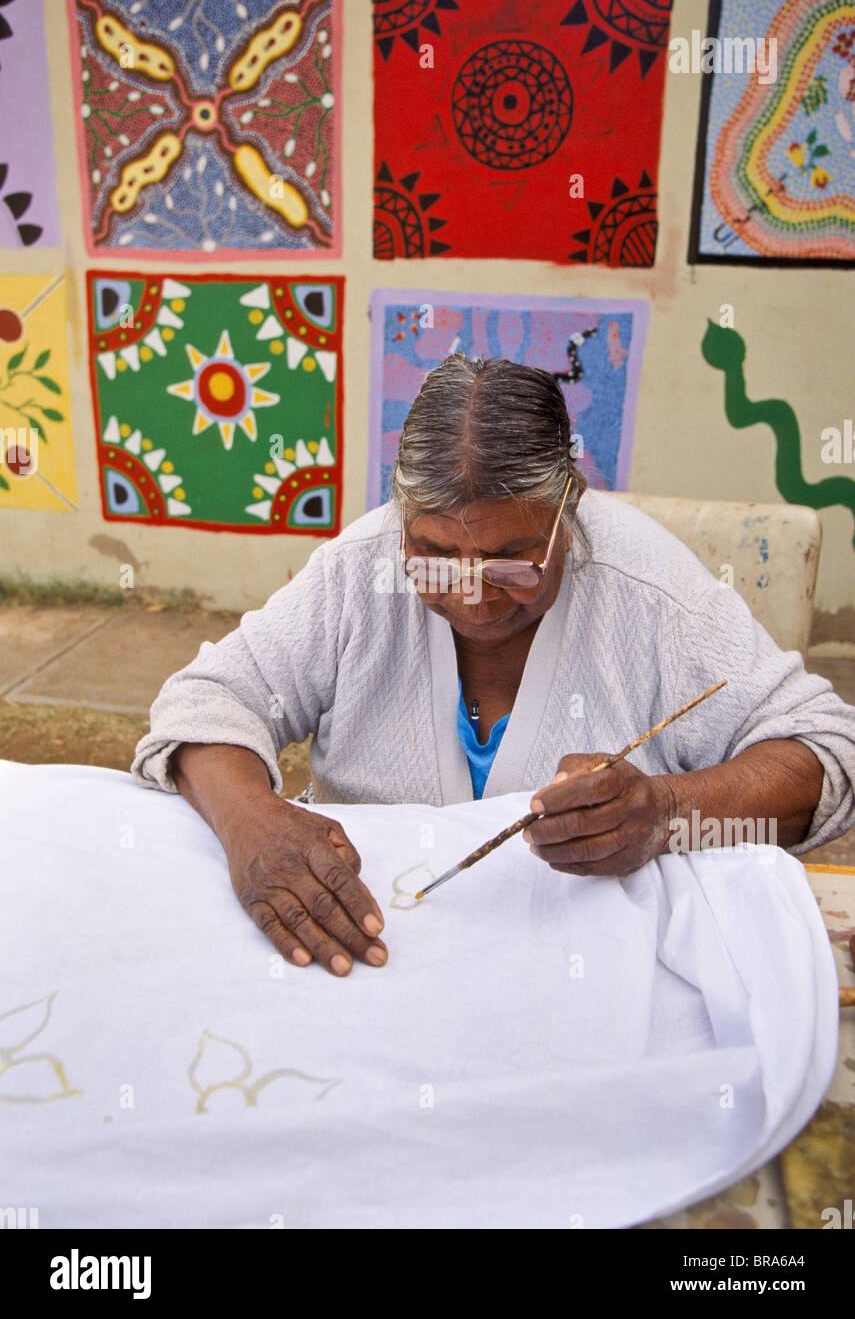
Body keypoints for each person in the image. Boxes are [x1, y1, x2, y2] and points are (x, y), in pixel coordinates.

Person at [133, 354, 855, 978]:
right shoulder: (362, 568)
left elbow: (824, 754)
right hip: (377, 944)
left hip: (591, 965)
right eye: (436, 554)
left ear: (568, 511)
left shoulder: (650, 591)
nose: (472, 597)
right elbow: (208, 702)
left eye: (512, 557)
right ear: (401, 518)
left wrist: (665, 812)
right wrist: (251, 820)